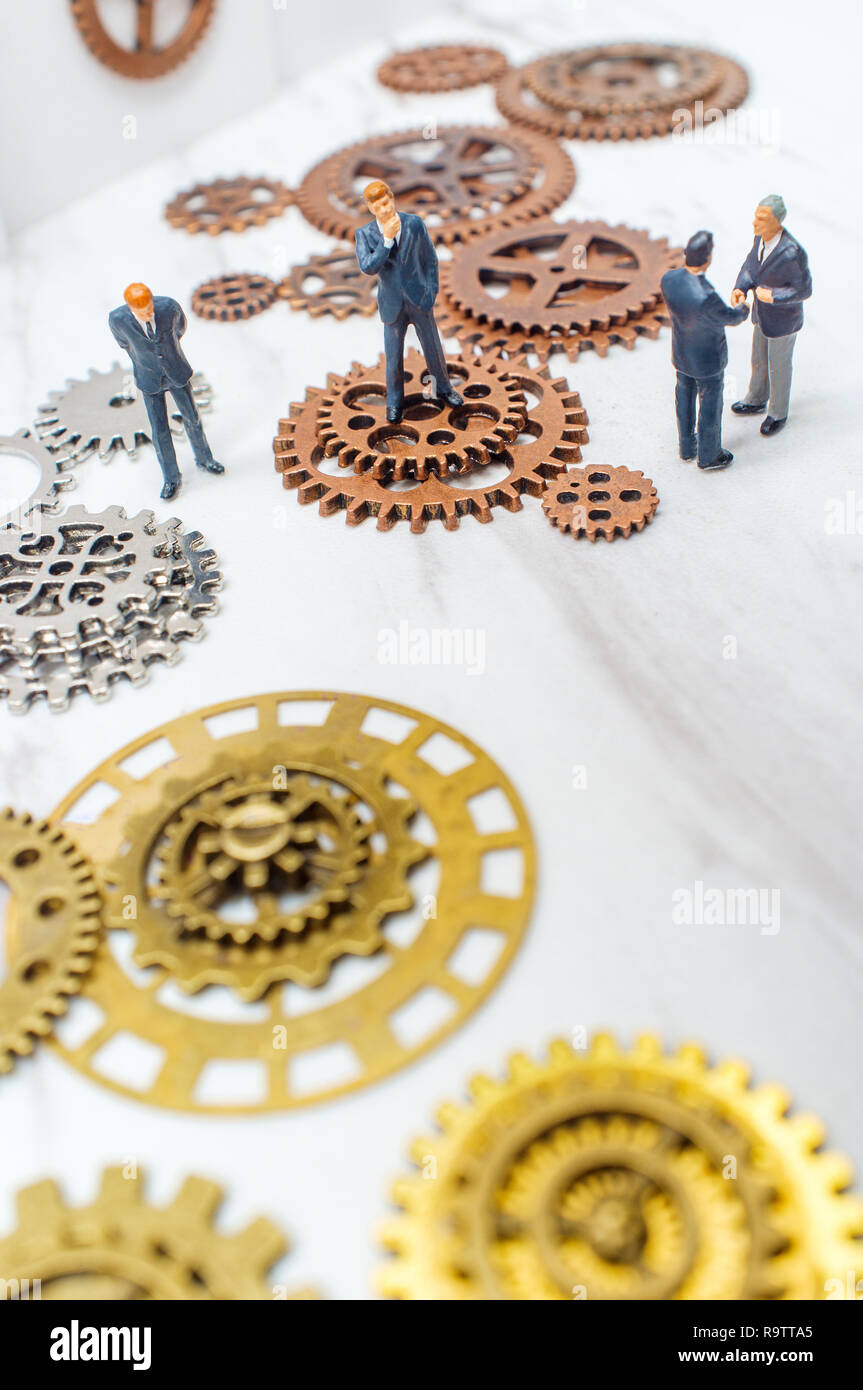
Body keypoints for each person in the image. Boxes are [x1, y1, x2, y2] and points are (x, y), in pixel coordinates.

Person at [355, 181, 463, 422]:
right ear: (370, 209)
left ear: (392, 198)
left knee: (433, 348)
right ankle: (394, 402)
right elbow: (368, 267)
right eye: (378, 206)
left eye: (386, 202)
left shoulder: (414, 223)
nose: (384, 209)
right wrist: (386, 241)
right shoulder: (364, 234)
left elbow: (430, 260)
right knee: (393, 357)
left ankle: (444, 388)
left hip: (419, 298)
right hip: (392, 305)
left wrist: (430, 292)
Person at [108, 283, 224, 499]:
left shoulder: (169, 307)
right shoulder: (117, 319)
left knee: (192, 417)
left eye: (150, 306)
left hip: (176, 371)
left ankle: (205, 459)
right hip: (149, 378)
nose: (149, 312)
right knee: (160, 431)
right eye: (142, 311)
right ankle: (171, 478)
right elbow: (124, 343)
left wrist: (168, 354)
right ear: (131, 308)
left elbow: (179, 329)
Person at [660, 230, 749, 470]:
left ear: (685, 254)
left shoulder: (669, 280)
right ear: (708, 259)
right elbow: (731, 317)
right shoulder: (707, 296)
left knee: (684, 397)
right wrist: (743, 307)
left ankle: (687, 447)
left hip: (681, 353)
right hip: (707, 360)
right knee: (710, 404)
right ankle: (709, 455)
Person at [731, 195, 811, 437]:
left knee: (778, 367)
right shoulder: (759, 240)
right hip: (761, 316)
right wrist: (740, 287)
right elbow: (750, 267)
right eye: (756, 216)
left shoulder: (792, 251)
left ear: (777, 222)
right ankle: (756, 399)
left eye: (762, 218)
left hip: (784, 322)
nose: (755, 222)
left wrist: (774, 295)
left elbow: (804, 289)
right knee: (758, 360)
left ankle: (777, 413)